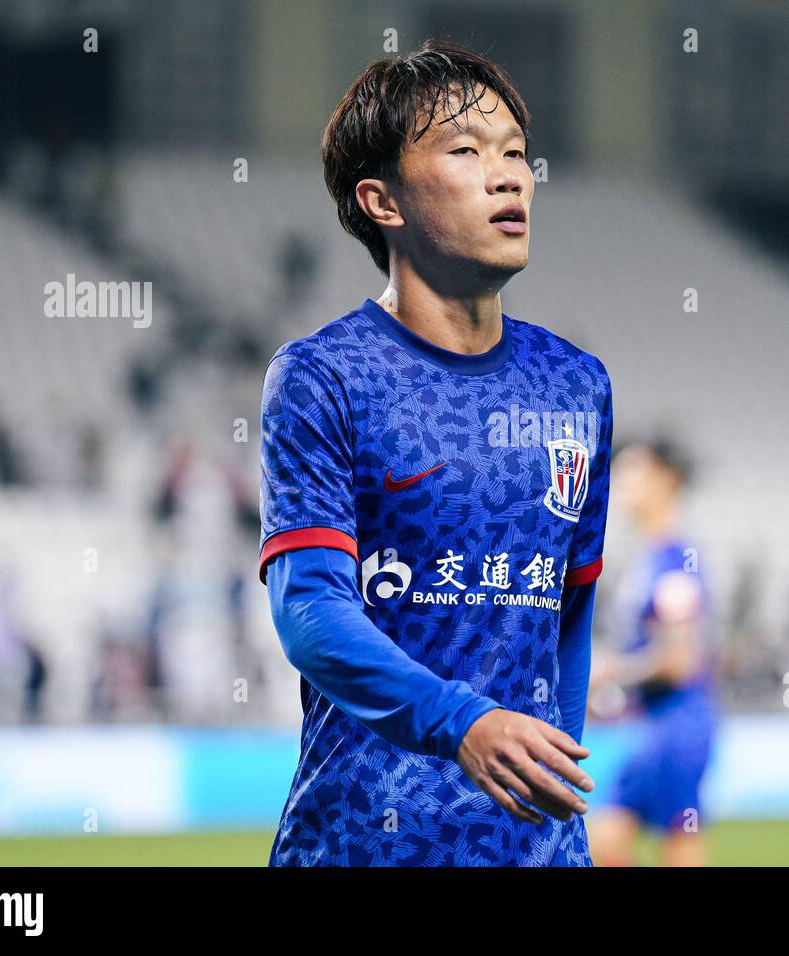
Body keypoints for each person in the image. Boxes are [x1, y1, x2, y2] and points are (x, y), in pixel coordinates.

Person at [259, 40, 613, 866]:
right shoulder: (323, 376)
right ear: (382, 200)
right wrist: (465, 726)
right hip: (363, 841)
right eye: (465, 152)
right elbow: (310, 615)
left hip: (536, 849)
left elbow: (570, 609)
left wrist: (549, 777)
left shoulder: (578, 385)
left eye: (518, 154)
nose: (510, 176)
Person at [587, 438, 718, 867]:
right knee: (603, 844)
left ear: (667, 480)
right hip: (652, 726)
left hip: (679, 727)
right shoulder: (649, 558)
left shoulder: (676, 561)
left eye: (635, 472)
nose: (622, 482)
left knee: (677, 847)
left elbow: (678, 662)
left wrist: (608, 672)